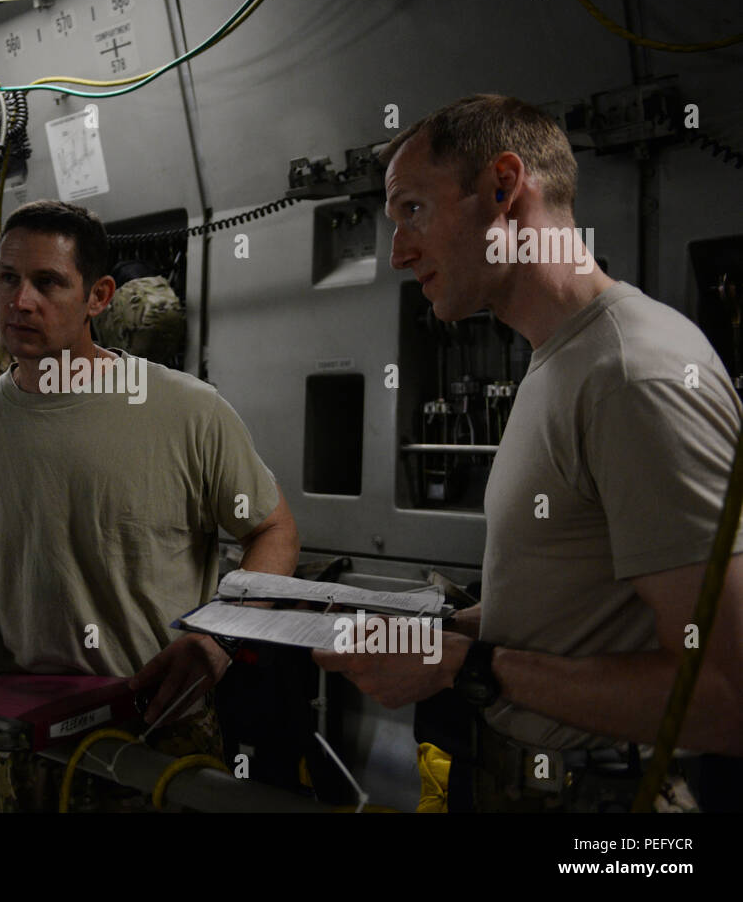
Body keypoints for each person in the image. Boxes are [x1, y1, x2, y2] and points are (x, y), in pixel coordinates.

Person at [313, 94, 743, 810]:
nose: (396, 254)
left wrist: (473, 668)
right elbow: (581, 600)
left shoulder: (631, 372)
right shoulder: (559, 360)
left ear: (504, 188)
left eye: (413, 211)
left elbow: (728, 692)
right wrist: (446, 631)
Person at [0, 199, 300, 811]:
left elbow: (273, 529)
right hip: (27, 741)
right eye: (7, 279)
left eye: (48, 282)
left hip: (159, 734)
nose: (20, 300)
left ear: (98, 296)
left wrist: (216, 640)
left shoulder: (187, 412)